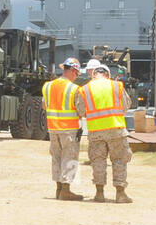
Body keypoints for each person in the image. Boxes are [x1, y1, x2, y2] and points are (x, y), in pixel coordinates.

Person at [80, 61, 132, 203]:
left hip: (95, 130)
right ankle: (120, 194)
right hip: (116, 129)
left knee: (98, 161)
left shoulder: (85, 89)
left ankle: (99, 193)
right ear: (108, 75)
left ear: (94, 75)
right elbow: (126, 105)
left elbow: (80, 110)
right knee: (119, 160)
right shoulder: (116, 86)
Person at [43, 57, 84, 200]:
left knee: (56, 158)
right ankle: (66, 190)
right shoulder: (74, 89)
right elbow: (81, 110)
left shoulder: (47, 86)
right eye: (77, 74)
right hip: (69, 129)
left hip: (53, 128)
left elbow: (44, 105)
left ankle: (58, 189)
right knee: (69, 157)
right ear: (73, 71)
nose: (76, 77)